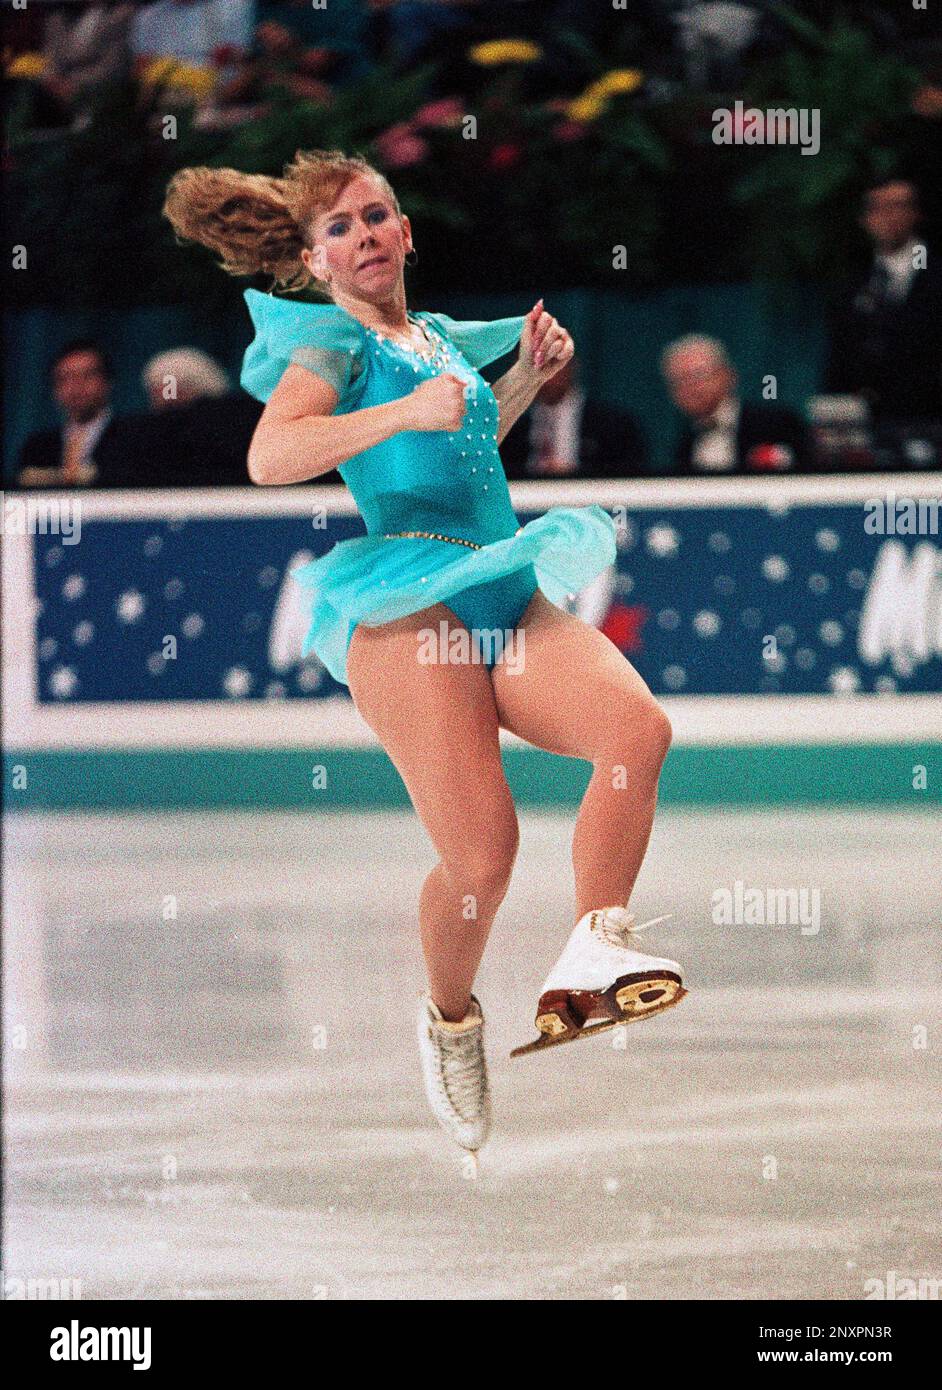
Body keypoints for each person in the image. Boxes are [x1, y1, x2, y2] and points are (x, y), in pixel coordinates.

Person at [163, 149, 684, 1155]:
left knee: (637, 728)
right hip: (407, 610)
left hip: (500, 580)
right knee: (484, 855)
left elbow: (462, 452)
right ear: (315, 261)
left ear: (407, 231)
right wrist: (401, 409)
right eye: (341, 228)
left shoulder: (440, 338)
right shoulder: (332, 348)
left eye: (377, 215)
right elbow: (270, 459)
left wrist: (524, 377)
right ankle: (450, 1017)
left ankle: (592, 956)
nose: (364, 235)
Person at [824, 179, 941, 423]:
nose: (887, 216)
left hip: (929, 421)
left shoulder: (934, 275)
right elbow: (840, 359)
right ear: (865, 219)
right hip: (868, 424)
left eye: (897, 206)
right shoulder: (853, 285)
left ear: (916, 214)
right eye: (877, 208)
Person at [662, 334, 816, 474]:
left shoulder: (777, 423)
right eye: (677, 381)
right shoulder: (683, 446)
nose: (689, 387)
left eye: (697, 376)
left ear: (728, 376)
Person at [501, 355, 649, 480]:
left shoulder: (613, 425)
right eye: (534, 366)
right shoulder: (512, 430)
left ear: (571, 365)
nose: (546, 374)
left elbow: (629, 479)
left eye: (552, 363)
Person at [17, 339, 132, 488]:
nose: (76, 387)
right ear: (54, 390)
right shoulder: (37, 447)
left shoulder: (132, 439)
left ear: (108, 383)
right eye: (65, 378)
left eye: (87, 376)